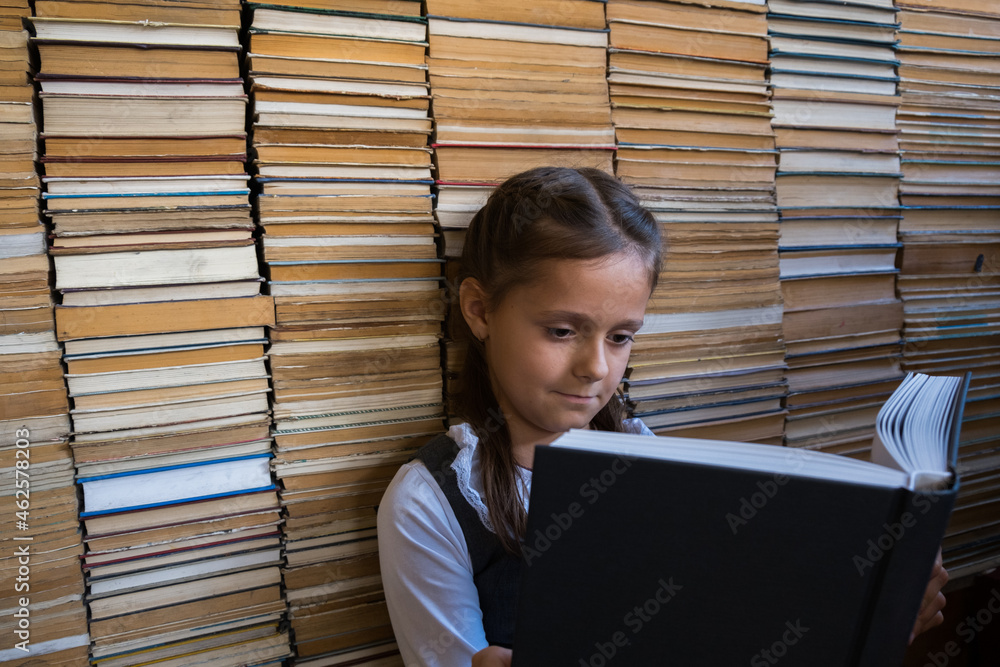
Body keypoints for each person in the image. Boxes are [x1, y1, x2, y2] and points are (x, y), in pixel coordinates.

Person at [376, 166, 948, 667]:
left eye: (621, 336)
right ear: (479, 310)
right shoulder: (431, 501)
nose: (595, 367)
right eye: (561, 330)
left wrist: (875, 623)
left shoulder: (651, 460)